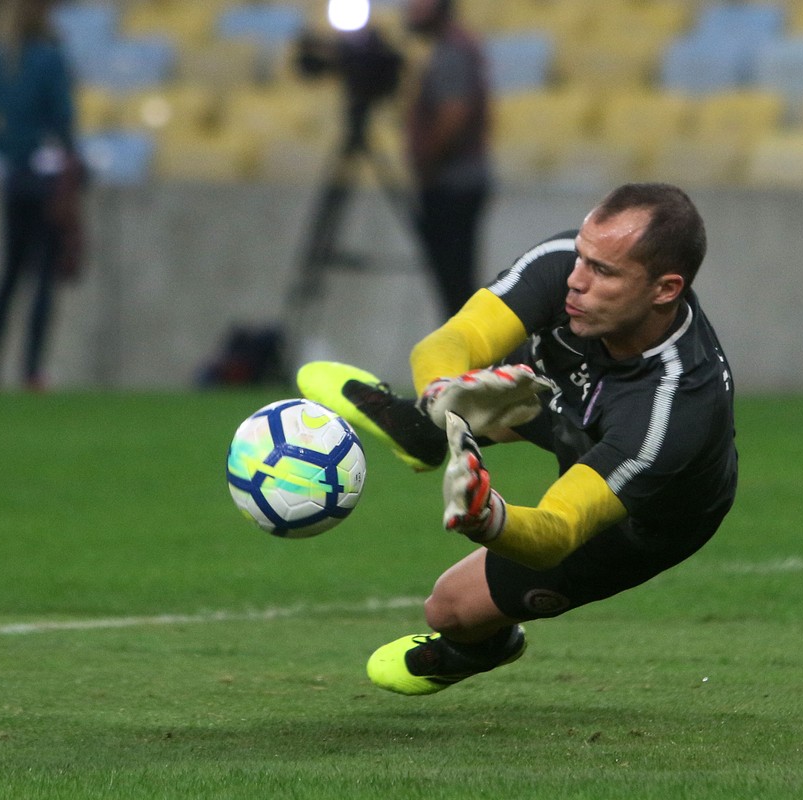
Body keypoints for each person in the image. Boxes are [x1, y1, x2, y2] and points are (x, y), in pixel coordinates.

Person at [297, 183, 738, 695]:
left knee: (450, 608)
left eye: (603, 271)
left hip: (645, 517)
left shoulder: (674, 409)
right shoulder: (566, 268)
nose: (575, 280)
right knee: (493, 377)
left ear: (665, 289)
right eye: (582, 256)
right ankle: (427, 429)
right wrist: (443, 390)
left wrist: (490, 520)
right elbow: (451, 341)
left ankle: (482, 646)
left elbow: (557, 530)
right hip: (567, 401)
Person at [0, 0, 81, 391]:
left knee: (9, 273)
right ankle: (32, 369)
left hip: (14, 177)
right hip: (46, 179)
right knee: (43, 279)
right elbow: (64, 118)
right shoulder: (50, 58)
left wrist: (9, 149)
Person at [403, 0, 492, 320]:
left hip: (452, 183)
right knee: (454, 279)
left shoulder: (452, 52)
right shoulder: (451, 49)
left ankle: (464, 359)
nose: (408, 7)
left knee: (454, 280)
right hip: (457, 181)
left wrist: (426, 159)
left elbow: (454, 114)